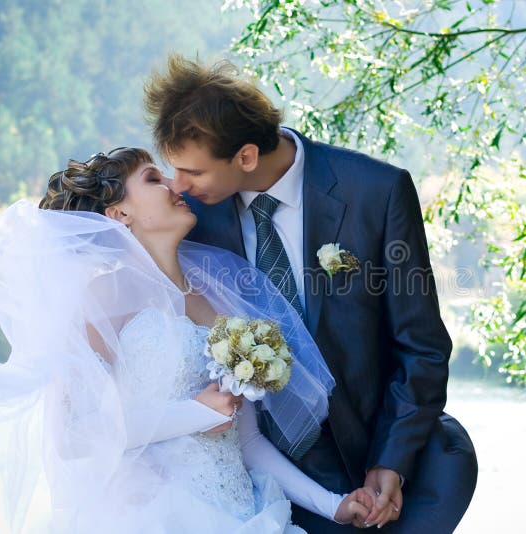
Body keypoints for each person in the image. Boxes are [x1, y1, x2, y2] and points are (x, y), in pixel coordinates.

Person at [0, 148, 375, 533]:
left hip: (244, 514)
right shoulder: (102, 296)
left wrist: (334, 505)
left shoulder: (217, 299)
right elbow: (73, 437)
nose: (174, 184)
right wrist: (192, 412)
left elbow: (246, 442)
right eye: (153, 178)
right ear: (120, 215)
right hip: (156, 514)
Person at [144, 55, 479, 533]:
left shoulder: (377, 193)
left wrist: (392, 460)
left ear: (245, 156)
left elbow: (421, 346)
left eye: (191, 172)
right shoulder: (193, 218)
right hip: (264, 485)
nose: (179, 186)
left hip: (386, 463)